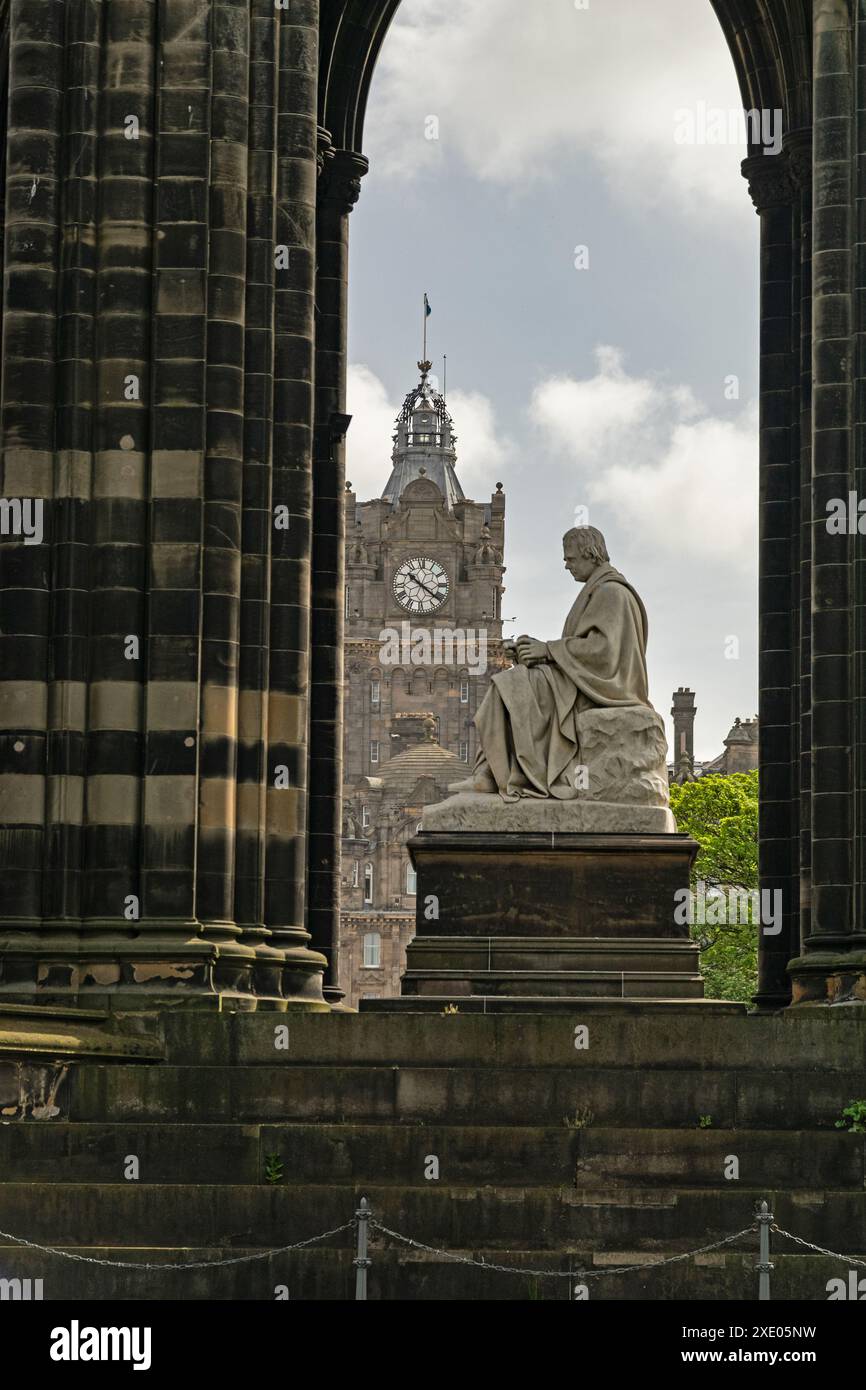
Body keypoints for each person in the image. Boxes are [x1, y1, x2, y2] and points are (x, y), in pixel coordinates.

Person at [460, 525, 653, 802]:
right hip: (585, 679)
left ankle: (502, 774)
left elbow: (605, 651)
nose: (567, 566)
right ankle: (492, 771)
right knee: (513, 681)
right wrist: (534, 652)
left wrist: (547, 651)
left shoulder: (612, 592)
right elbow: (587, 649)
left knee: (513, 685)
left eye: (570, 559)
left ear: (591, 554)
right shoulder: (597, 589)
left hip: (605, 687)